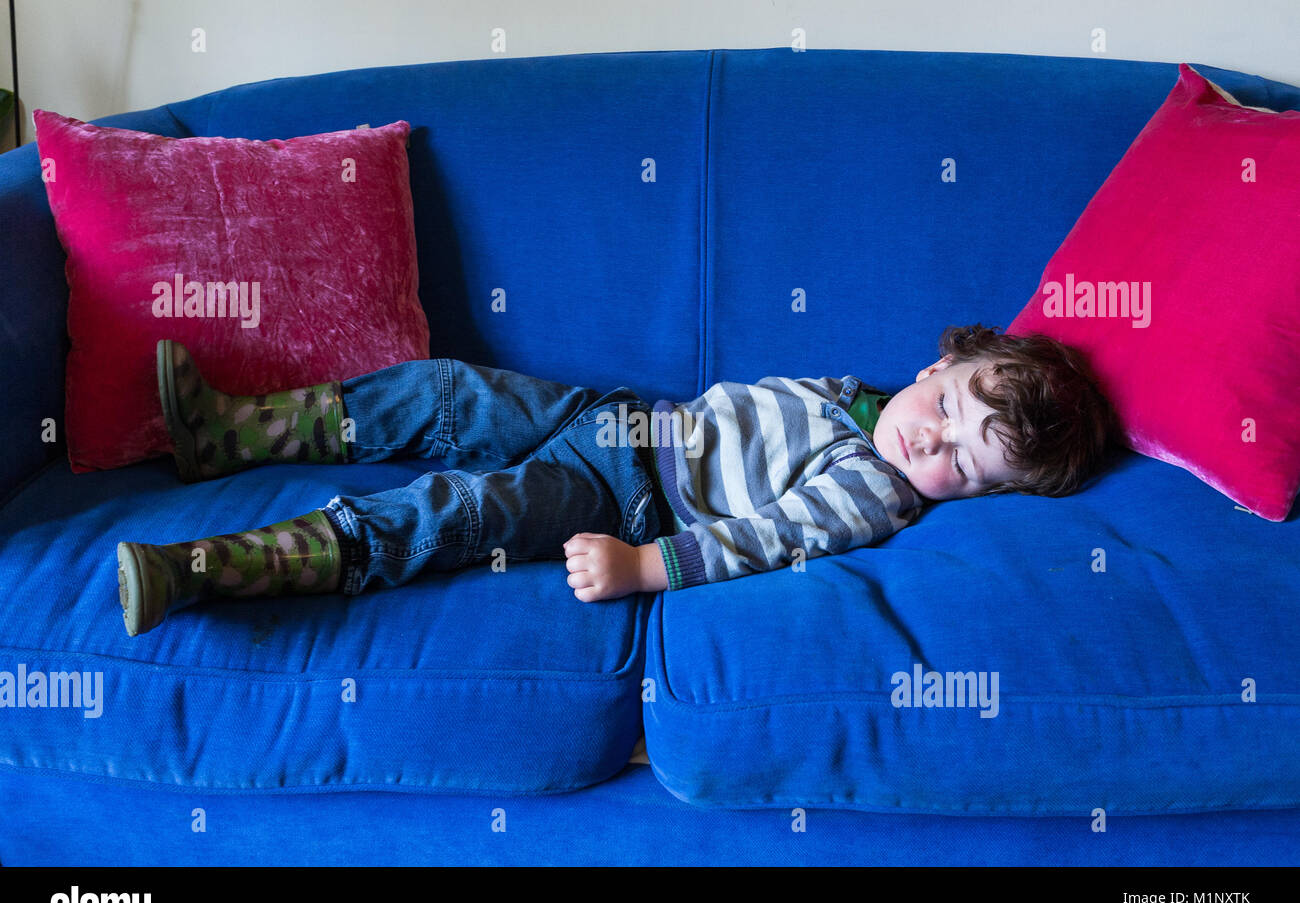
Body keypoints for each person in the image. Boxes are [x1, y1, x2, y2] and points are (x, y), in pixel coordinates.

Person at [115, 326, 1120, 636]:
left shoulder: (874, 490)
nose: (930, 444)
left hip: (627, 498)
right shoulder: (860, 393)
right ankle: (230, 431)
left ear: (979, 497)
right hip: (620, 418)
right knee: (446, 391)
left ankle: (214, 565)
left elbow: (769, 536)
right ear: (941, 363)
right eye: (947, 411)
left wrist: (645, 563)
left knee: (460, 511)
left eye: (963, 463)